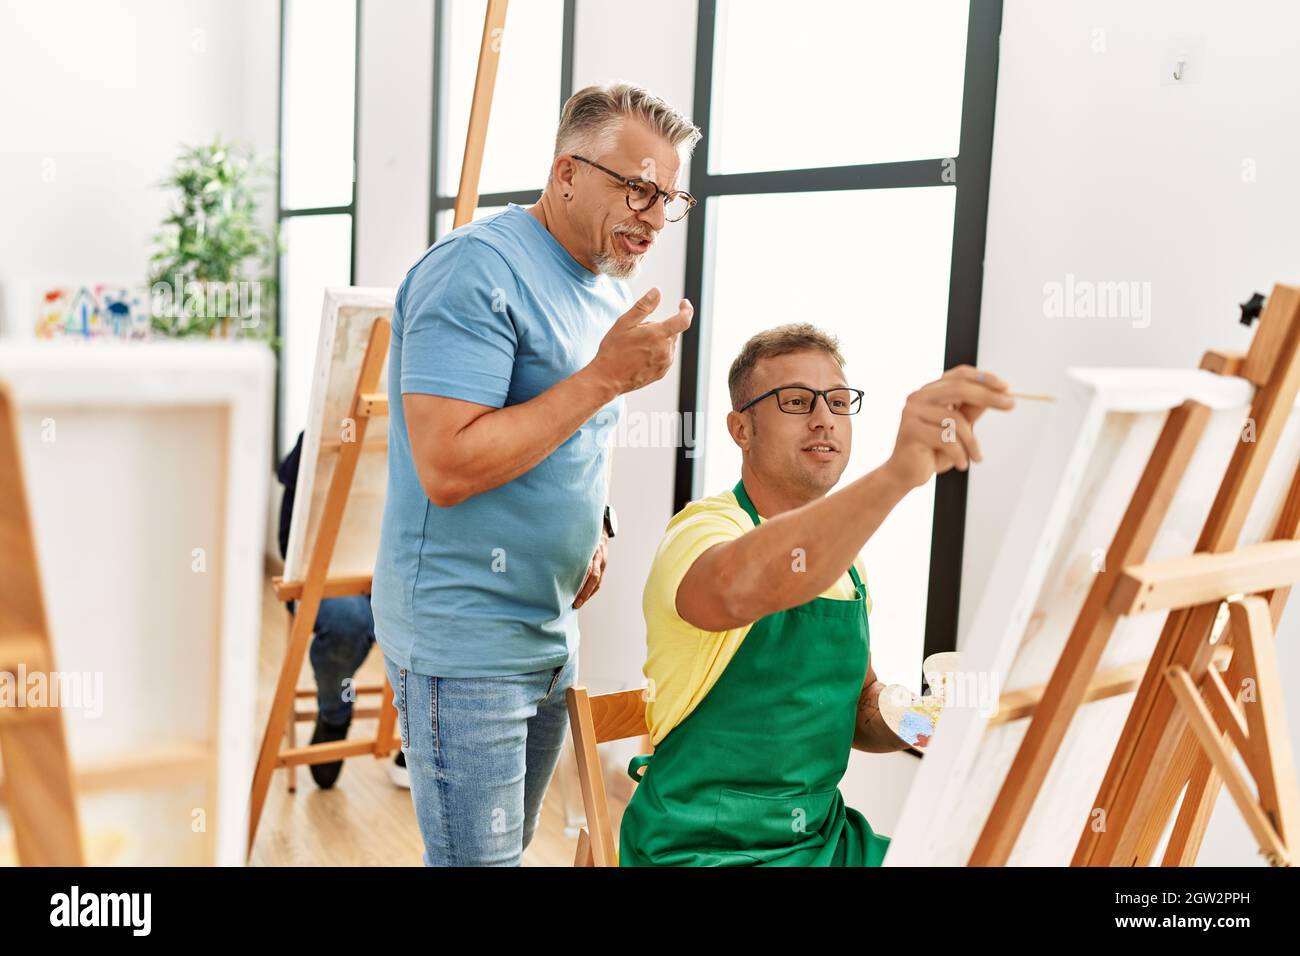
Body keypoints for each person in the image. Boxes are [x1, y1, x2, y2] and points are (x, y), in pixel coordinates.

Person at [371, 83, 700, 866]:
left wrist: (602, 523)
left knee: (500, 851)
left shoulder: (600, 286)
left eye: (669, 197)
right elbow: (448, 465)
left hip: (550, 633)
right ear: (565, 175)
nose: (654, 216)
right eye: (639, 189)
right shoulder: (472, 272)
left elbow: (577, 434)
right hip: (464, 641)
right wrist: (605, 379)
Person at [619, 324, 1015, 866]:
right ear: (741, 428)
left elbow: (859, 710)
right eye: (797, 401)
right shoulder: (703, 531)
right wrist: (899, 473)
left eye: (837, 401)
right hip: (700, 846)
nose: (824, 417)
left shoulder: (846, 567)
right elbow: (738, 591)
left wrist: (927, 718)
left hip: (823, 842)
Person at [276, 431, 409, 790]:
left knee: (448, 608)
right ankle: (335, 713)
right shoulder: (320, 438)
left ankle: (420, 735)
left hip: (393, 569)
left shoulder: (416, 429)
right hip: (322, 575)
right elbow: (290, 540)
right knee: (348, 620)